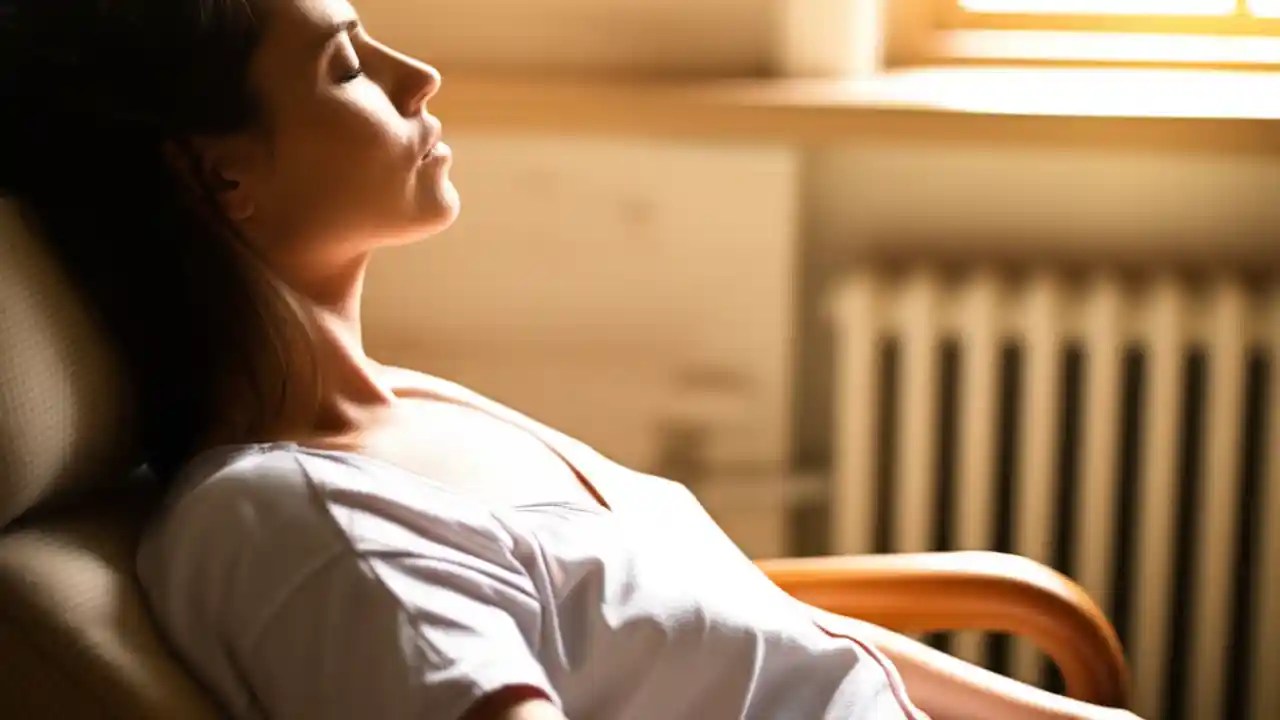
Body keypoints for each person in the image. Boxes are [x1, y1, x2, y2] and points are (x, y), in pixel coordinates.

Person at [0, 1, 1141, 718]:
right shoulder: (298, 523)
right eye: (344, 65)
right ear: (219, 176)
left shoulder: (413, 409)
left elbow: (781, 639)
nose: (417, 75)